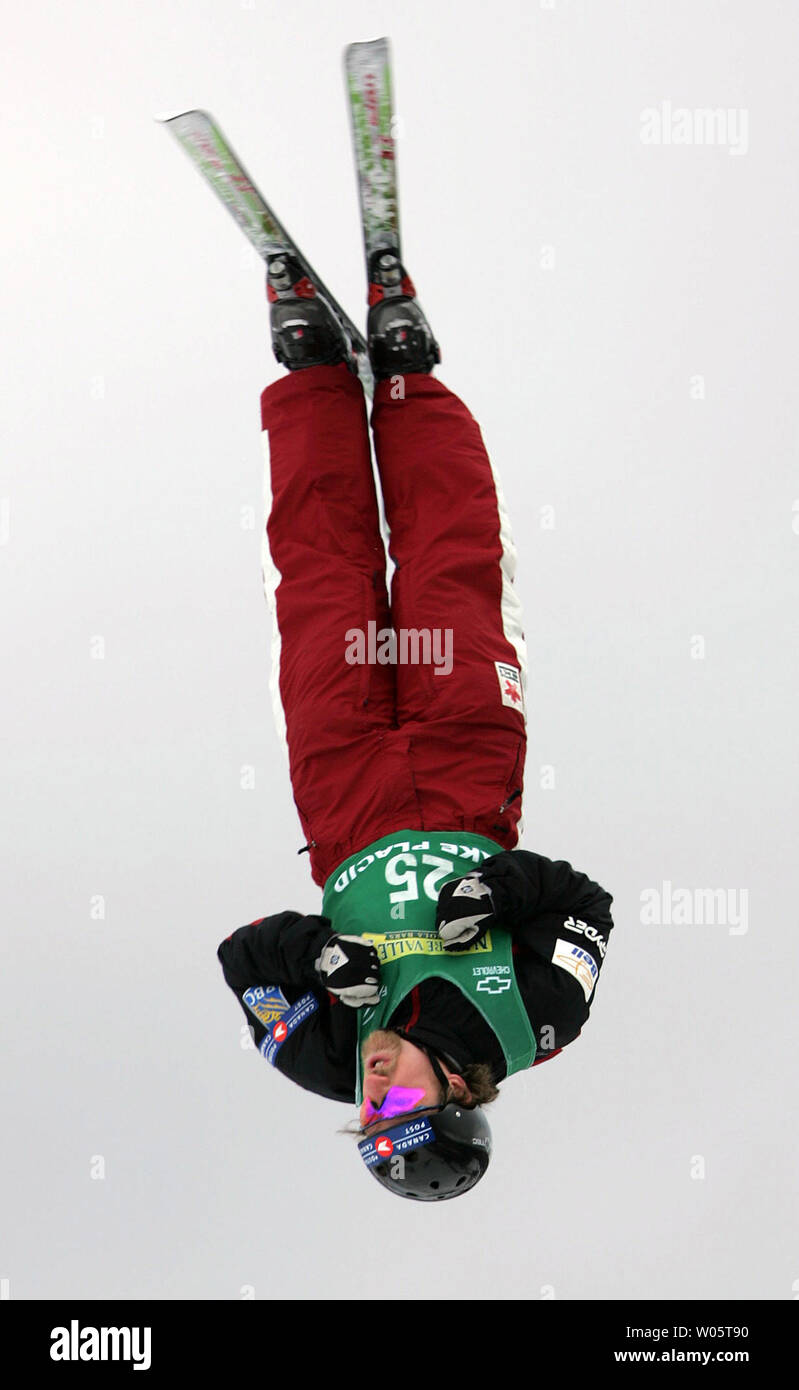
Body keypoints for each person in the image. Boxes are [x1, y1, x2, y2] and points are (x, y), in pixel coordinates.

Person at [217, 254, 614, 1201]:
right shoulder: (535, 1021)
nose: (374, 1090)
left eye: (368, 1113)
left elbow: (242, 957)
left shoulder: (318, 1052)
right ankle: (408, 380)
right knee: (448, 568)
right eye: (402, 1107)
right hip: (465, 766)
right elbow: (583, 906)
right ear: (457, 1091)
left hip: (344, 798)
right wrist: (498, 887)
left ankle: (311, 379)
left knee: (321, 586)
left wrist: (312, 954)